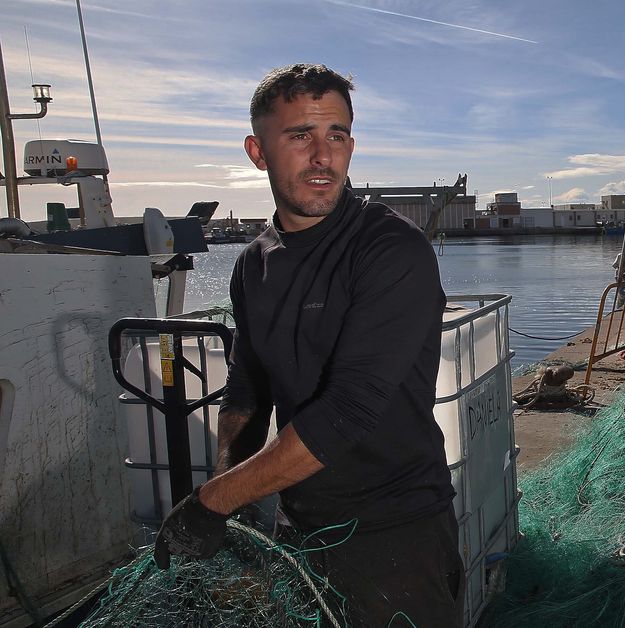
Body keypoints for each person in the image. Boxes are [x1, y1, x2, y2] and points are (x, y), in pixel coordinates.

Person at [153, 64, 464, 627]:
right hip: (297, 527)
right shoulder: (253, 265)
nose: (323, 157)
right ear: (257, 150)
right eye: (300, 136)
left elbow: (349, 411)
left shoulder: (391, 249)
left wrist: (211, 503)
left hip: (395, 532)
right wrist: (236, 502)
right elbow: (248, 389)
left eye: (337, 136)